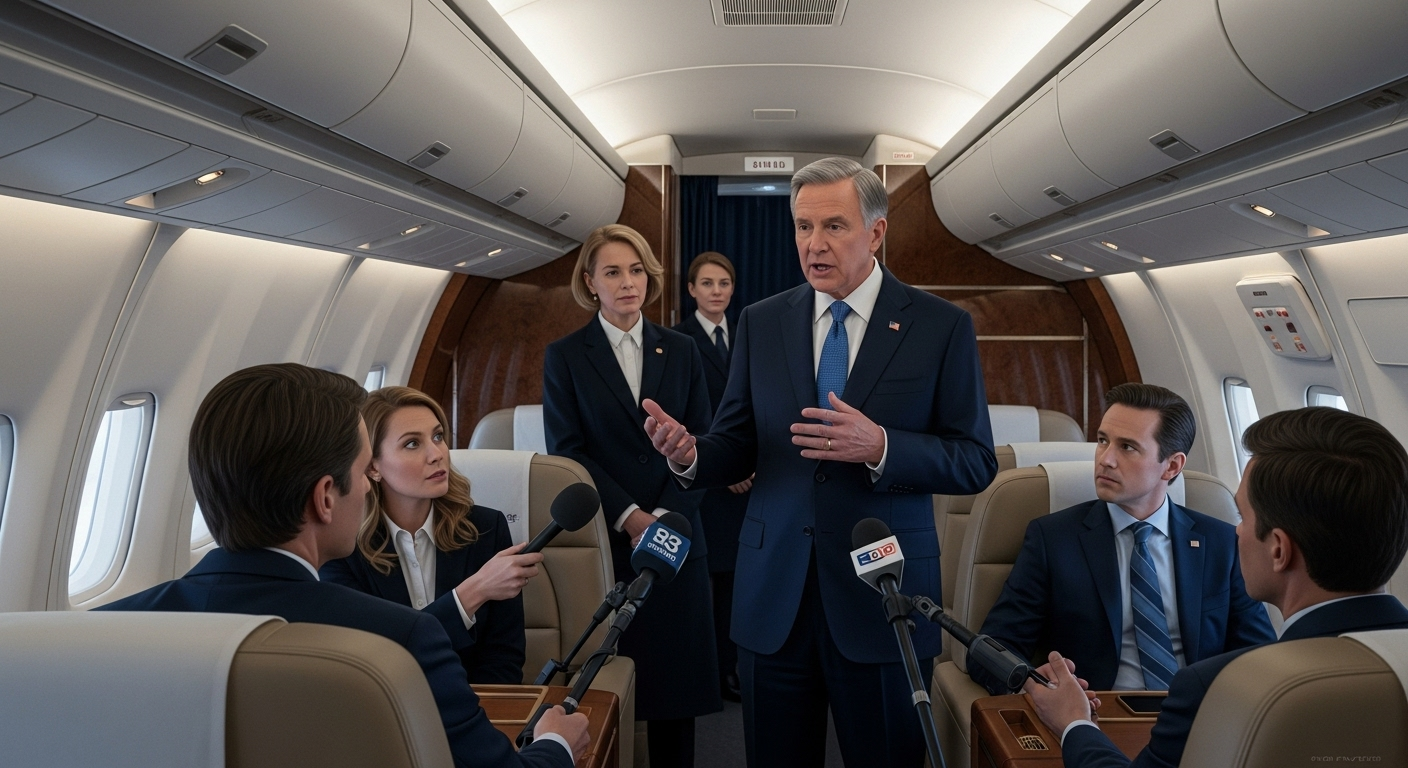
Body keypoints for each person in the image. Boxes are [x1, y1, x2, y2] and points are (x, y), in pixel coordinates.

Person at [643, 157, 998, 767]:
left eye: (834, 226)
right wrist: (692, 454)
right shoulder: (762, 321)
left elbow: (974, 461)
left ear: (876, 233)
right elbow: (737, 444)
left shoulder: (940, 327)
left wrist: (881, 446)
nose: (814, 244)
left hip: (882, 595)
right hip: (773, 592)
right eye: (803, 227)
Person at [98, 363, 587, 768]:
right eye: (362, 473)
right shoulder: (399, 642)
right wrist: (555, 744)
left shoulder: (103, 635)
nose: (370, 487)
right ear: (326, 498)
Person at [1026, 406, 1408, 768]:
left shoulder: (1222, 689)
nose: (1236, 532)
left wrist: (1074, 722)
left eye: (1243, 517)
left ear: (1278, 550)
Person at [542, 224, 721, 767]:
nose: (628, 282)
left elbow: (704, 439)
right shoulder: (566, 356)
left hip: (677, 534)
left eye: (637, 270)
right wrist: (630, 516)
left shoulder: (683, 349)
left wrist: (663, 515)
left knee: (675, 701)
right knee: (611, 691)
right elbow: (569, 451)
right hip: (609, 539)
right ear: (590, 282)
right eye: (614, 272)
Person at [972, 383, 1274, 694]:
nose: (1105, 459)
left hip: (1198, 711)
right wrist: (1032, 681)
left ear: (1172, 466)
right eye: (1103, 441)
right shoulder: (1053, 540)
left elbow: (1260, 655)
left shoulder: (1221, 543)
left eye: (1127, 447)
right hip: (1097, 710)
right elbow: (992, 650)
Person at [321, 386, 537, 684]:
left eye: (437, 437)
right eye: (412, 444)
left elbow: (504, 659)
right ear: (372, 466)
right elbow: (377, 658)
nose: (437, 454)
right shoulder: (341, 547)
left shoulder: (487, 528)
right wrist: (472, 593)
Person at [675, 251, 750, 702]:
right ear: (691, 289)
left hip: (746, 479)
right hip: (700, 477)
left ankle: (732, 668)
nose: (716, 291)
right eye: (707, 283)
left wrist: (747, 463)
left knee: (736, 582)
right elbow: (686, 415)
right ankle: (709, 672)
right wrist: (721, 467)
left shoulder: (749, 335)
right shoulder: (676, 340)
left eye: (724, 283)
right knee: (702, 583)